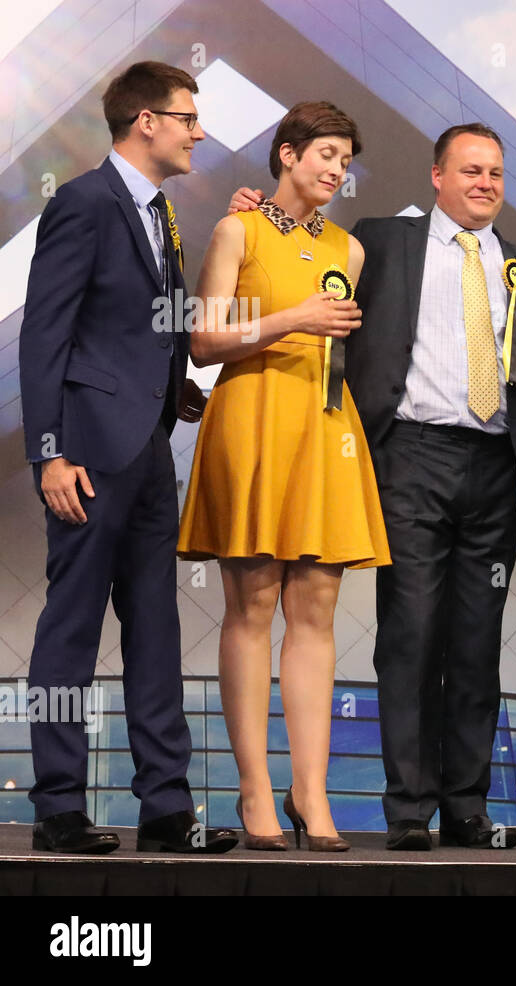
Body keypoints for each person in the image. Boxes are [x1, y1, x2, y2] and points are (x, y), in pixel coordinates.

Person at [227, 122, 516, 850]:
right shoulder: (381, 241)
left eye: (495, 173)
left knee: (475, 643)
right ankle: (408, 811)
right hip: (408, 458)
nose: (484, 183)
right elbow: (308, 257)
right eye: (470, 171)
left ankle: (466, 805)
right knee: (409, 635)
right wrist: (258, 210)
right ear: (437, 176)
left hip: (496, 469)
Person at [18, 61, 236, 855]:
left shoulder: (164, 216)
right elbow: (45, 335)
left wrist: (172, 383)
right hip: (87, 455)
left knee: (156, 627)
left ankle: (166, 811)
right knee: (70, 630)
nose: (198, 131)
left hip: (149, 452)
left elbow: (143, 320)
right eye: (187, 117)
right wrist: (50, 453)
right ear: (145, 120)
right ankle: (59, 810)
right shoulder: (82, 202)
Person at [179, 102, 388, 852]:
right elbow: (202, 340)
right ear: (288, 154)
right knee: (252, 603)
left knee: (319, 610)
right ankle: (253, 790)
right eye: (326, 153)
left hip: (326, 423)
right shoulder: (237, 229)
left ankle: (311, 790)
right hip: (253, 420)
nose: (336, 170)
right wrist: (288, 319)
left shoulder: (348, 249)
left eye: (345, 159)